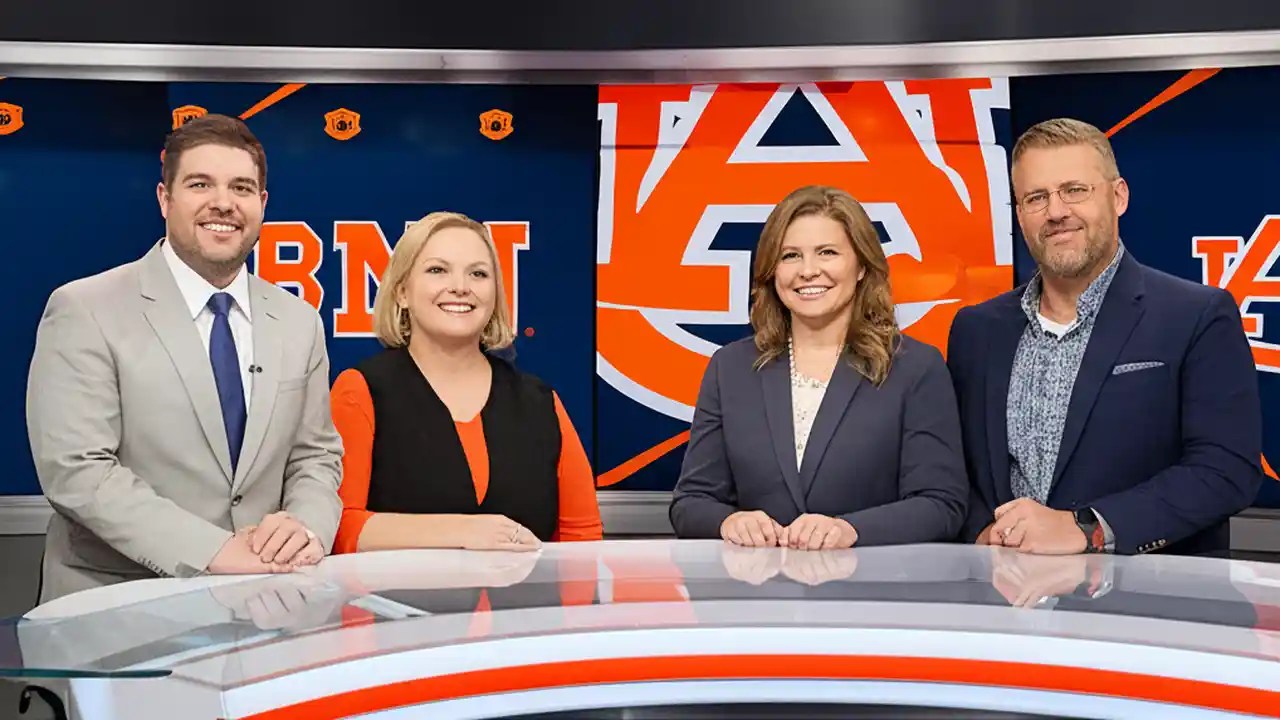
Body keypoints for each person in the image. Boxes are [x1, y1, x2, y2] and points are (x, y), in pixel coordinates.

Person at [26, 114, 344, 603]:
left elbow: (316, 456)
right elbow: (78, 470)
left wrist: (305, 528)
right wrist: (214, 551)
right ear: (164, 198)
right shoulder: (85, 308)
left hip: (264, 608)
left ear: (261, 204)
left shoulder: (299, 321)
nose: (223, 202)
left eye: (241, 187)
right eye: (200, 184)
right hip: (115, 611)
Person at [947, 117, 1262, 557]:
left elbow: (1225, 471)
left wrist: (1087, 528)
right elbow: (956, 467)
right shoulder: (976, 331)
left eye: (1075, 190)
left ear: (1118, 197)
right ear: (1019, 215)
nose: (1057, 211)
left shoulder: (1196, 316)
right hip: (1008, 603)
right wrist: (981, 529)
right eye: (1036, 197)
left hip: (1147, 608)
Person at [669, 185, 969, 549]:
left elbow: (942, 505)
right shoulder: (730, 368)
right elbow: (690, 503)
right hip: (759, 597)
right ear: (771, 271)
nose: (808, 271)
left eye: (827, 253)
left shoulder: (915, 368)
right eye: (790, 256)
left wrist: (850, 530)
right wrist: (729, 521)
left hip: (873, 596)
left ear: (861, 266)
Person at [329, 211, 602, 553]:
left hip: (523, 607)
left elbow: (582, 539)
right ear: (402, 292)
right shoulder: (360, 391)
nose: (461, 286)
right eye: (437, 270)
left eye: (478, 273)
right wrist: (460, 532)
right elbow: (336, 527)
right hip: (392, 605)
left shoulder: (541, 402)